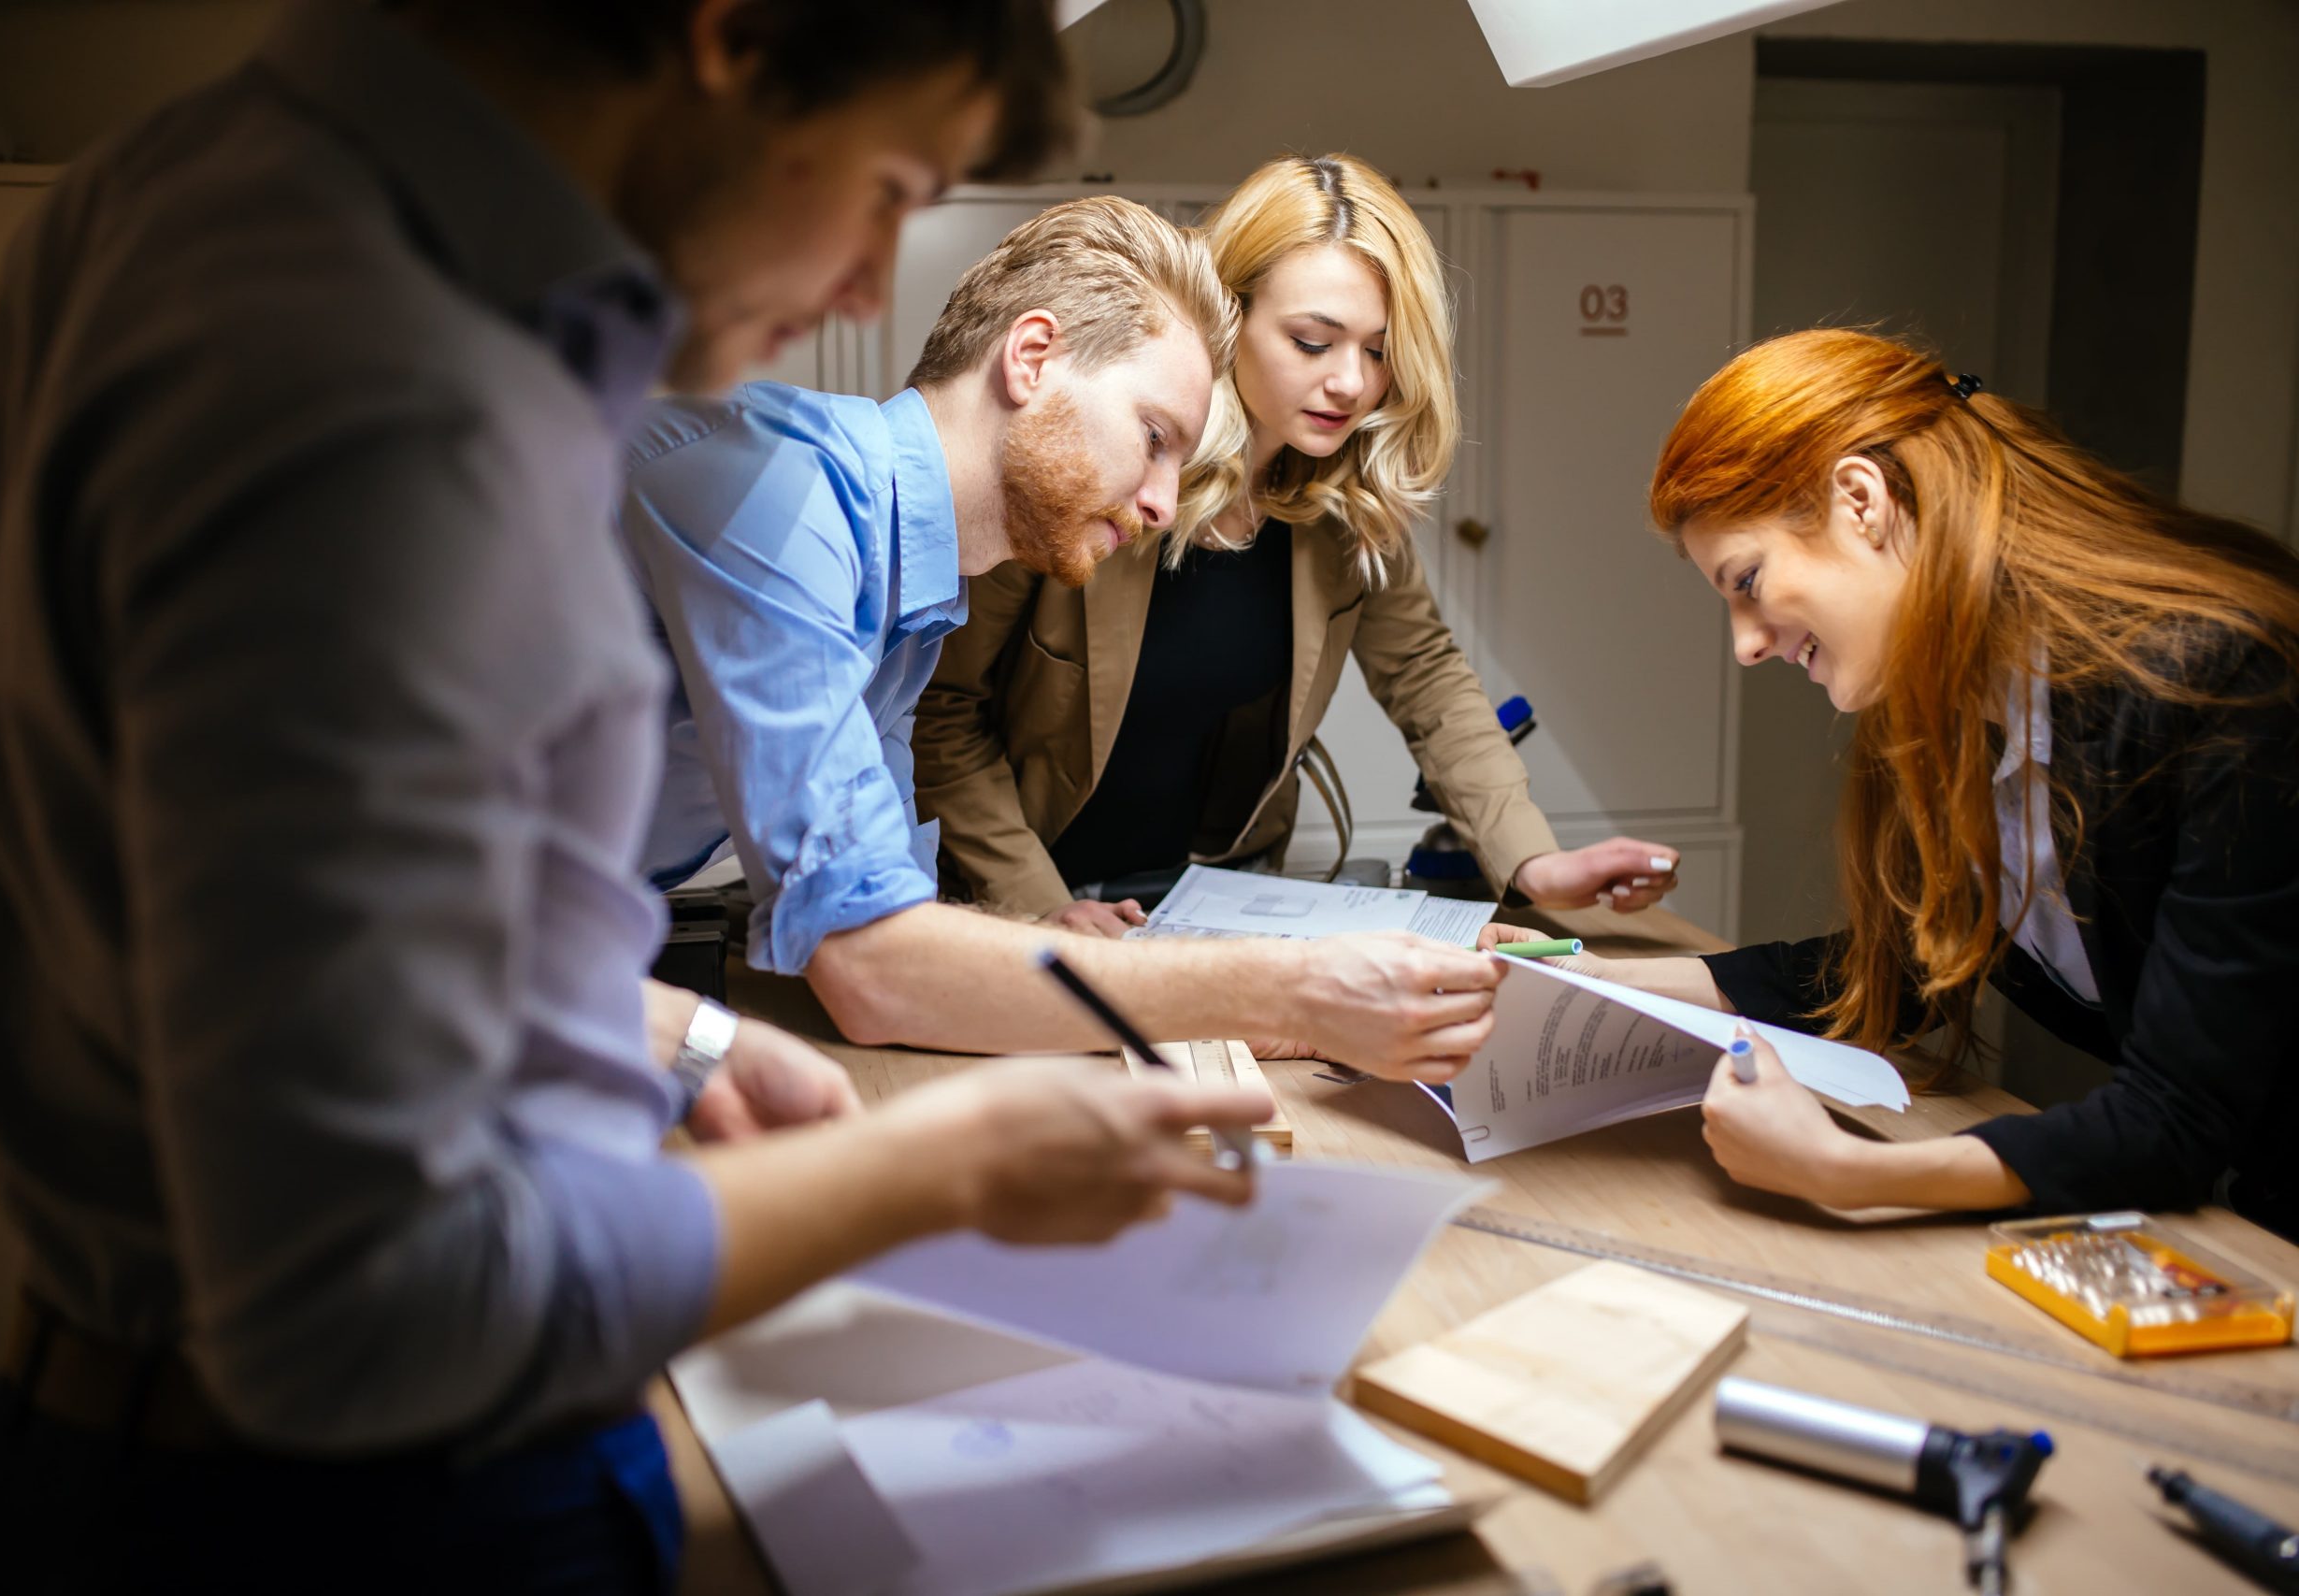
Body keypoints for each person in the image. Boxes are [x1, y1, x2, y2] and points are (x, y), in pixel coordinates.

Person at [0, 4, 1275, 1591]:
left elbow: (284, 937)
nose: (858, 286)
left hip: (216, 1447)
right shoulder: (387, 374)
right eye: (890, 186)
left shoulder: (213, 201)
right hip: (339, 1513)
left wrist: (666, 1032)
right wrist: (947, 1170)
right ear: (737, 44)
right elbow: (373, 1309)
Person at [620, 194, 1506, 1070]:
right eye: (1154, 436)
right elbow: (873, 966)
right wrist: (1286, 986)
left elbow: (900, 923)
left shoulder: (914, 596)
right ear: (1033, 358)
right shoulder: (785, 505)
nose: (1164, 503)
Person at [1480, 327, 2299, 1241]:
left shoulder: (2220, 682)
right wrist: (1593, 983)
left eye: (1747, 581)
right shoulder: (1972, 717)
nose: (1747, 645)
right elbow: (1894, 969)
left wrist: (1845, 1171)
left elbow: (2171, 1124)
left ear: (1861, 501)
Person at [912, 153, 1682, 940]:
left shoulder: (1341, 504)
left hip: (1214, 903)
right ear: (1225, 316)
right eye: (1314, 342)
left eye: (1379, 351)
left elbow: (1425, 675)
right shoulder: (1097, 474)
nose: (1351, 382)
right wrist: (1044, 907)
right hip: (1027, 901)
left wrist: (1530, 859)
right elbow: (940, 712)